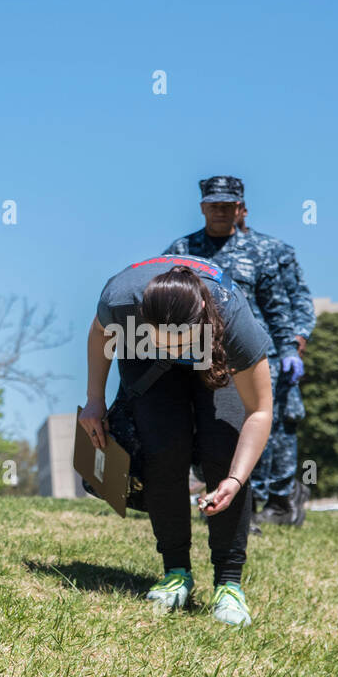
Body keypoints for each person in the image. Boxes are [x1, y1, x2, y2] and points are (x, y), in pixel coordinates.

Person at [79, 256, 273, 626]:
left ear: (201, 314)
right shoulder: (121, 302)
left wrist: (234, 480)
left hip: (212, 354)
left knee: (224, 451)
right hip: (143, 358)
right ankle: (176, 572)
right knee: (162, 449)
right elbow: (100, 334)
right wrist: (94, 399)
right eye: (162, 339)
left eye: (178, 341)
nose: (171, 348)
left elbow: (259, 412)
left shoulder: (232, 321)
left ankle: (229, 584)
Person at [162, 176, 297, 526]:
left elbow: (276, 307)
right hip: (199, 356)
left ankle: (244, 512)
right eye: (213, 203)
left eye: (227, 204)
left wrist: (288, 350)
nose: (220, 210)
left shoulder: (259, 252)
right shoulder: (181, 250)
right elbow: (162, 298)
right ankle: (220, 500)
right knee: (208, 433)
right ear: (202, 206)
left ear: (239, 208)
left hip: (248, 357)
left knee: (247, 430)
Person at [235, 202, 315, 525]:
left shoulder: (275, 249)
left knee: (283, 423)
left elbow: (299, 299)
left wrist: (295, 344)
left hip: (275, 352)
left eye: (232, 206)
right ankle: (245, 500)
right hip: (232, 355)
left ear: (243, 208)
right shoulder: (195, 247)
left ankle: (283, 501)